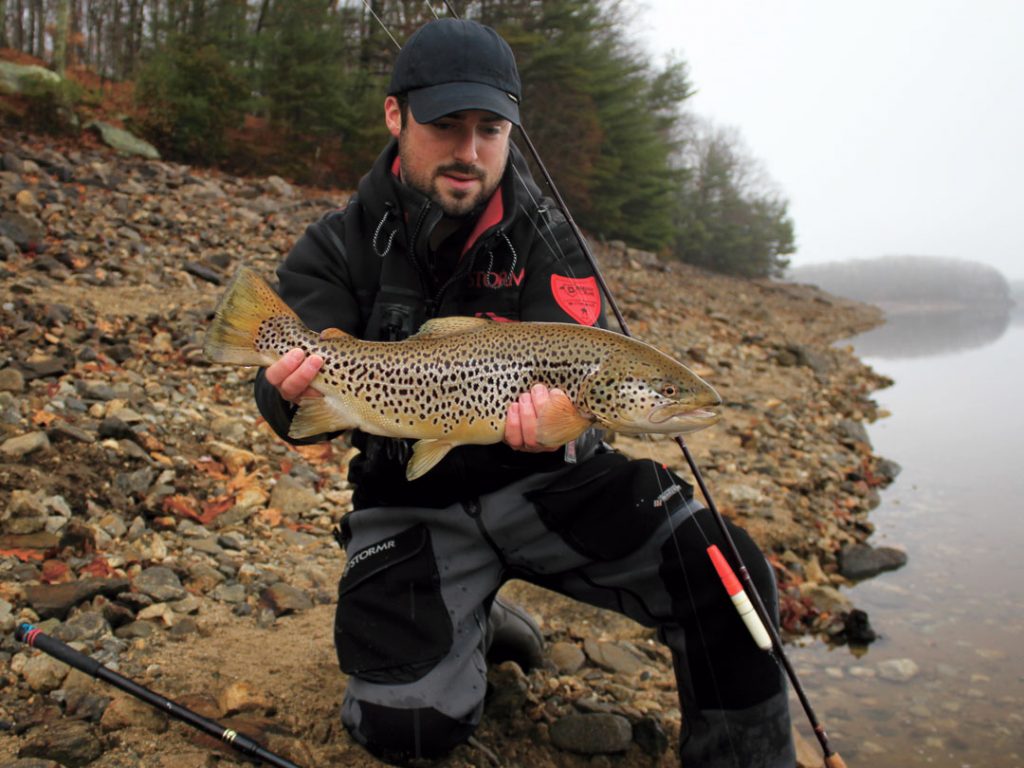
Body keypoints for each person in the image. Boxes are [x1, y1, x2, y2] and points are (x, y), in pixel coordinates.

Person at [254, 17, 796, 767]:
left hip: (554, 484)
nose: (470, 151)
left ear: (511, 130)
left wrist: (562, 426)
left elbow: (579, 357)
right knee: (403, 730)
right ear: (395, 116)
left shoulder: (551, 239)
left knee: (731, 577)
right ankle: (473, 615)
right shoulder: (336, 245)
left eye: (490, 129)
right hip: (410, 497)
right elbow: (290, 413)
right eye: (446, 125)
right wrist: (286, 391)